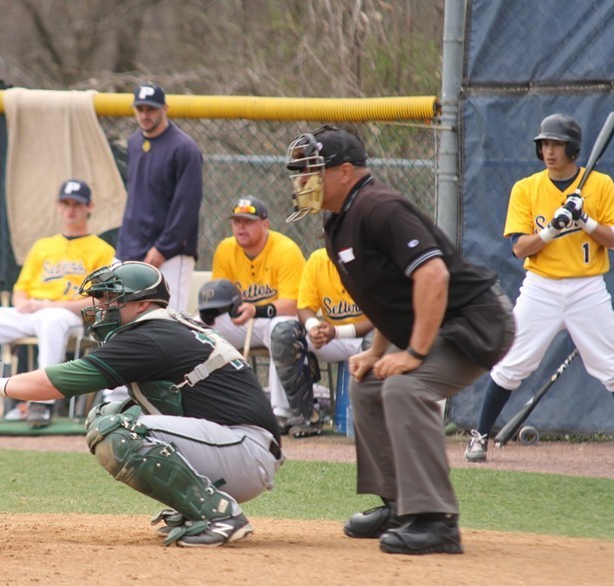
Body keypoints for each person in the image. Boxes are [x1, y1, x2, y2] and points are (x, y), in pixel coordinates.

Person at [285, 125, 514, 555]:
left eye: (311, 170)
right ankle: (400, 506)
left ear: (346, 172)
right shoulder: (339, 220)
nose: (302, 180)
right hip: (440, 323)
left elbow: (432, 276)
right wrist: (375, 352)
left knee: (407, 386)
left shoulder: (379, 207)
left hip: (476, 321)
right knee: (368, 382)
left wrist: (414, 354)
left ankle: (435, 520)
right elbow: (386, 296)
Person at [0, 261, 283, 547]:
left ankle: (220, 514)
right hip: (237, 447)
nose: (103, 307)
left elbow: (59, 382)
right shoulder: (166, 326)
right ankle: (198, 505)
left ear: (142, 304)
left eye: (111, 299)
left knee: (115, 429)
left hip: (244, 450)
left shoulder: (148, 335)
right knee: (109, 414)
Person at [465, 114, 614, 464]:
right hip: (540, 288)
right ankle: (479, 436)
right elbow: (519, 248)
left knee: (613, 368)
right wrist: (551, 231)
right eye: (544, 144)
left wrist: (585, 220)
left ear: (572, 148)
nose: (548, 151)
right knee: (512, 362)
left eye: (556, 144)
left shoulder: (600, 185)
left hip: (587, 288)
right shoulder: (527, 188)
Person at [0, 179, 115, 430]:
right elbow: (20, 291)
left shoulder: (102, 249)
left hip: (68, 316)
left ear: (89, 206)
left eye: (77, 204)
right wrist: (23, 303)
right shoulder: (43, 246)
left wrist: (50, 305)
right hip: (33, 312)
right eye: (66, 203)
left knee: (52, 319)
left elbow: (99, 301)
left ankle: (42, 402)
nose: (71, 209)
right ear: (58, 206)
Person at [203, 195, 310, 434]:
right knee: (203, 329)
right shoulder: (226, 249)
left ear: (265, 224)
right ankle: (214, 405)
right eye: (237, 221)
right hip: (242, 321)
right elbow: (219, 298)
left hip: (275, 320)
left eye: (248, 221)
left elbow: (294, 304)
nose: (241, 226)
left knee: (283, 327)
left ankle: (280, 412)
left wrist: (257, 309)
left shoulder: (285, 250)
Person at [117, 83, 203, 312]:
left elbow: (187, 206)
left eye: (151, 109)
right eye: (140, 109)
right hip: (132, 247)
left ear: (165, 108)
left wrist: (162, 248)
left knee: (168, 319)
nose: (145, 115)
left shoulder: (184, 148)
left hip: (171, 254)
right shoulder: (135, 142)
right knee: (119, 319)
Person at [277, 247, 375, 431]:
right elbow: (304, 307)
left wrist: (336, 332)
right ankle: (306, 416)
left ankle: (374, 421)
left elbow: (381, 318)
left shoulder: (372, 259)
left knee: (378, 338)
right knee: (285, 333)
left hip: (368, 339)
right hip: (332, 338)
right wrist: (314, 328)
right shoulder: (318, 259)